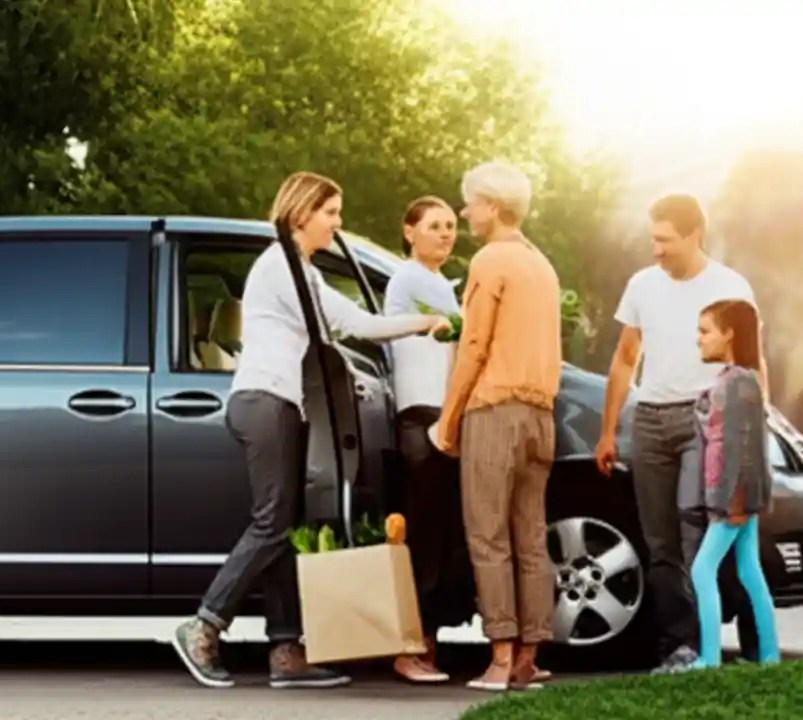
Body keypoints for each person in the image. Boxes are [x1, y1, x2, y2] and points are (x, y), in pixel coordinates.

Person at [171, 171, 449, 690]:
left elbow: (357, 323)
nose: (337, 224)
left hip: (283, 403)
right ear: (302, 213)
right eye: (331, 213)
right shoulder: (280, 266)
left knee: (285, 523)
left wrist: (421, 323)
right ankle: (204, 626)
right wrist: (420, 322)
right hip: (265, 400)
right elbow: (334, 327)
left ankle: (287, 650)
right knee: (272, 521)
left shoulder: (301, 269)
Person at [595, 193, 769, 673]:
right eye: (652, 238)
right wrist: (608, 430)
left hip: (705, 421)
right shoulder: (642, 285)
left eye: (665, 240)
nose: (656, 249)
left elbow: (753, 359)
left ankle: (747, 646)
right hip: (650, 420)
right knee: (662, 546)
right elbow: (625, 359)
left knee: (705, 540)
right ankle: (680, 649)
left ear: (694, 235)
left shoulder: (730, 286)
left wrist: (757, 428)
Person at [432, 162, 562, 692]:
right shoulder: (542, 265)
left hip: (495, 410)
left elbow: (475, 345)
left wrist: (448, 416)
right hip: (541, 416)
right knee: (530, 538)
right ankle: (529, 656)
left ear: (492, 204)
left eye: (470, 203)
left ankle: (500, 658)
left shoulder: (490, 260)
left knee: (486, 536)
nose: (464, 213)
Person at [383, 195, 472, 683]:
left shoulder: (435, 282)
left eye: (451, 225)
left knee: (436, 534)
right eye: (434, 225)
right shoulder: (411, 278)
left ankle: (425, 644)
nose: (445, 233)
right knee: (426, 534)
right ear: (410, 231)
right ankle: (409, 648)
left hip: (436, 415)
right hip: (424, 417)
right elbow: (466, 334)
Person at [687, 299, 780, 669]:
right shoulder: (742, 380)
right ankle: (769, 655)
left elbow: (743, 449)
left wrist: (736, 501)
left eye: (705, 330)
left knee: (701, 569)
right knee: (748, 570)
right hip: (737, 495)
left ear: (728, 334)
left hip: (733, 498)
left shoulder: (737, 383)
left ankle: (708, 658)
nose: (698, 339)